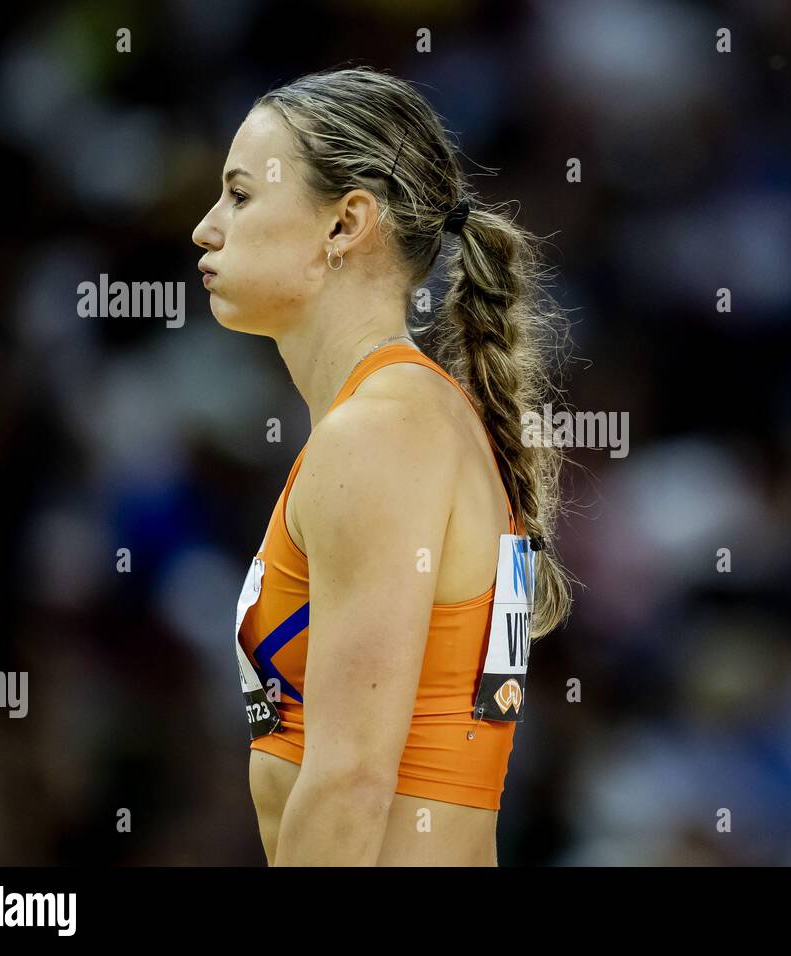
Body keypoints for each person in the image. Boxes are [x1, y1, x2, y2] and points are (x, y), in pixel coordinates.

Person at [191, 65, 572, 866]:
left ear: (345, 224)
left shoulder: (381, 433)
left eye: (240, 194)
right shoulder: (409, 417)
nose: (206, 227)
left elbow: (351, 784)